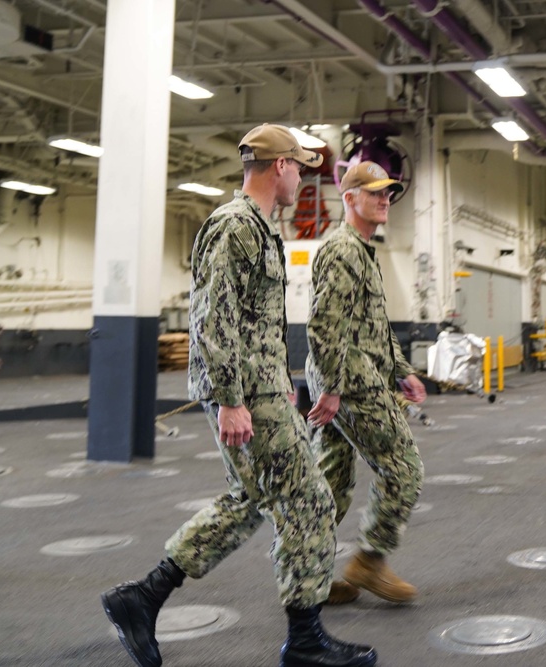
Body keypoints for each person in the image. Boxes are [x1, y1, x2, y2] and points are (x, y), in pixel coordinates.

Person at [100, 124, 376, 667]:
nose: (301, 176)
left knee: (251, 500)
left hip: (263, 388)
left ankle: (143, 597)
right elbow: (211, 317)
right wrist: (229, 399)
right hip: (248, 392)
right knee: (309, 500)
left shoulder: (258, 226)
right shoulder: (234, 226)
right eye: (298, 166)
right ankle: (304, 640)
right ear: (278, 167)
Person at [305, 161, 426, 605]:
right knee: (403, 468)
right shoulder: (342, 250)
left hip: (355, 375)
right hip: (350, 381)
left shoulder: (361, 250)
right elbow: (323, 327)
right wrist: (334, 388)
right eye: (374, 192)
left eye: (387, 192)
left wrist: (402, 371)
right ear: (349, 198)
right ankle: (369, 562)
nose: (384, 198)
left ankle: (307, 579)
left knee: (330, 485)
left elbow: (371, 324)